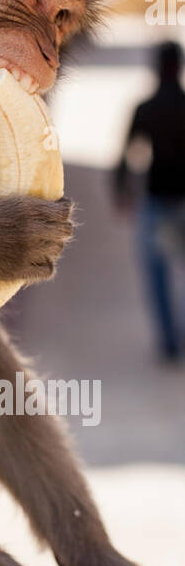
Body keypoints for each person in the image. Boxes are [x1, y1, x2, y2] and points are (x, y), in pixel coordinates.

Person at [115, 41, 185, 360]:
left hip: (156, 202)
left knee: (157, 277)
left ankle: (169, 342)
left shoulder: (146, 109)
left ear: (157, 68)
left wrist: (122, 192)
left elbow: (126, 156)